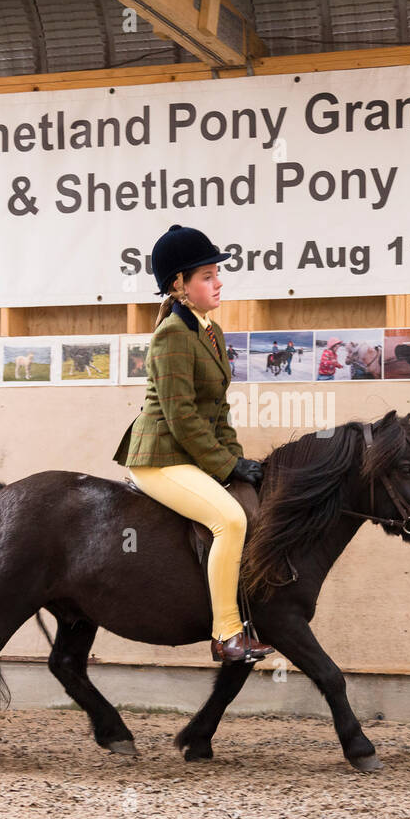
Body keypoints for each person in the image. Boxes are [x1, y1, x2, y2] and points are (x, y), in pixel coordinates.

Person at [111, 224, 274, 664]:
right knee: (229, 520)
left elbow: (217, 412)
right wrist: (225, 467)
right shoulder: (172, 335)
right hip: (160, 457)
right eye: (207, 276)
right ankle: (227, 635)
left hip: (188, 455)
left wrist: (237, 459)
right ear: (179, 286)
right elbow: (182, 417)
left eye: (216, 273)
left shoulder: (211, 332)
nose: (218, 282)